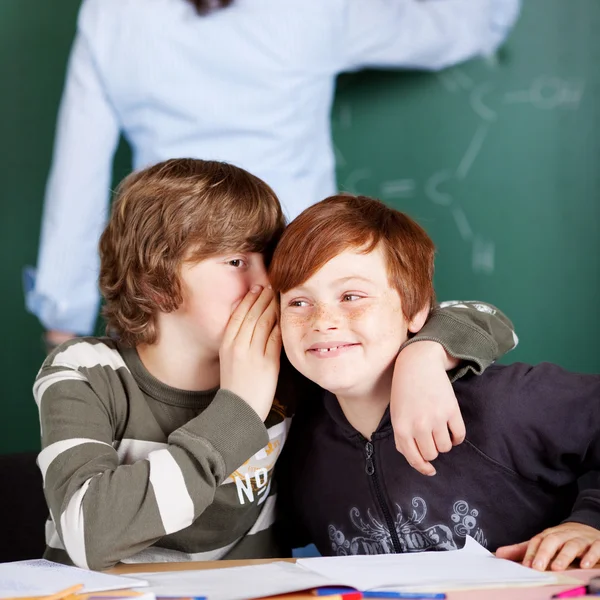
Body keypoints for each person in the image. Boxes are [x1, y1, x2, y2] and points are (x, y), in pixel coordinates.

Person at [33, 159, 515, 570]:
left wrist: (423, 355)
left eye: (268, 257)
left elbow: (489, 319)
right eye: (236, 262)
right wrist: (239, 409)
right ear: (157, 281)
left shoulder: (294, 358)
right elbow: (87, 533)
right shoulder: (84, 370)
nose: (268, 280)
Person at [25, 0, 521, 349]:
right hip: (297, 279)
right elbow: (463, 25)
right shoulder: (313, 7)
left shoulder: (112, 13)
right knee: (296, 461)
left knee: (170, 467)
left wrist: (62, 318)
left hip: (167, 283)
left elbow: (79, 175)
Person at [270, 194, 600, 571]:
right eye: (298, 302)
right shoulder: (297, 440)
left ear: (415, 311)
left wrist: (591, 522)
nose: (321, 321)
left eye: (351, 296)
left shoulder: (501, 403)